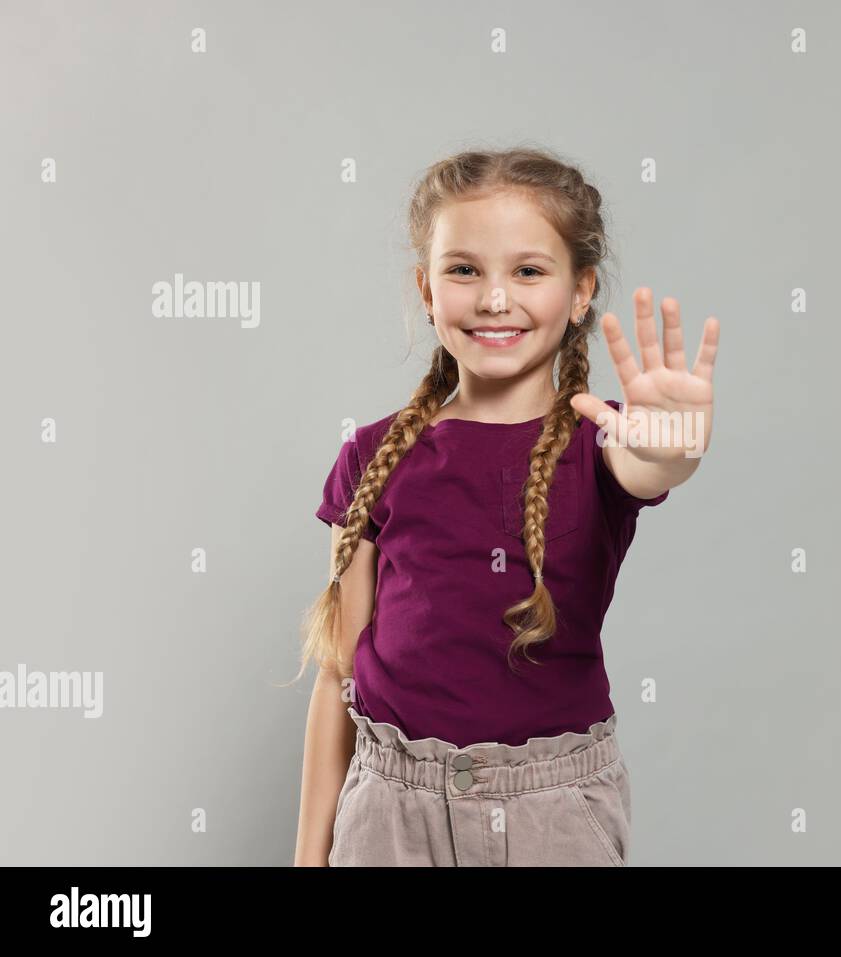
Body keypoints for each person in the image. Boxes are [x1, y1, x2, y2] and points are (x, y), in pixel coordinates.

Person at [291, 147, 719, 866]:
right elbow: (340, 676)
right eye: (464, 270)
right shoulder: (372, 455)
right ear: (426, 290)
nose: (494, 298)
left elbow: (651, 465)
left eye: (528, 270)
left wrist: (678, 446)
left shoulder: (604, 440)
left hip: (552, 817)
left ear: (580, 291)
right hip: (389, 813)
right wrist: (308, 859)